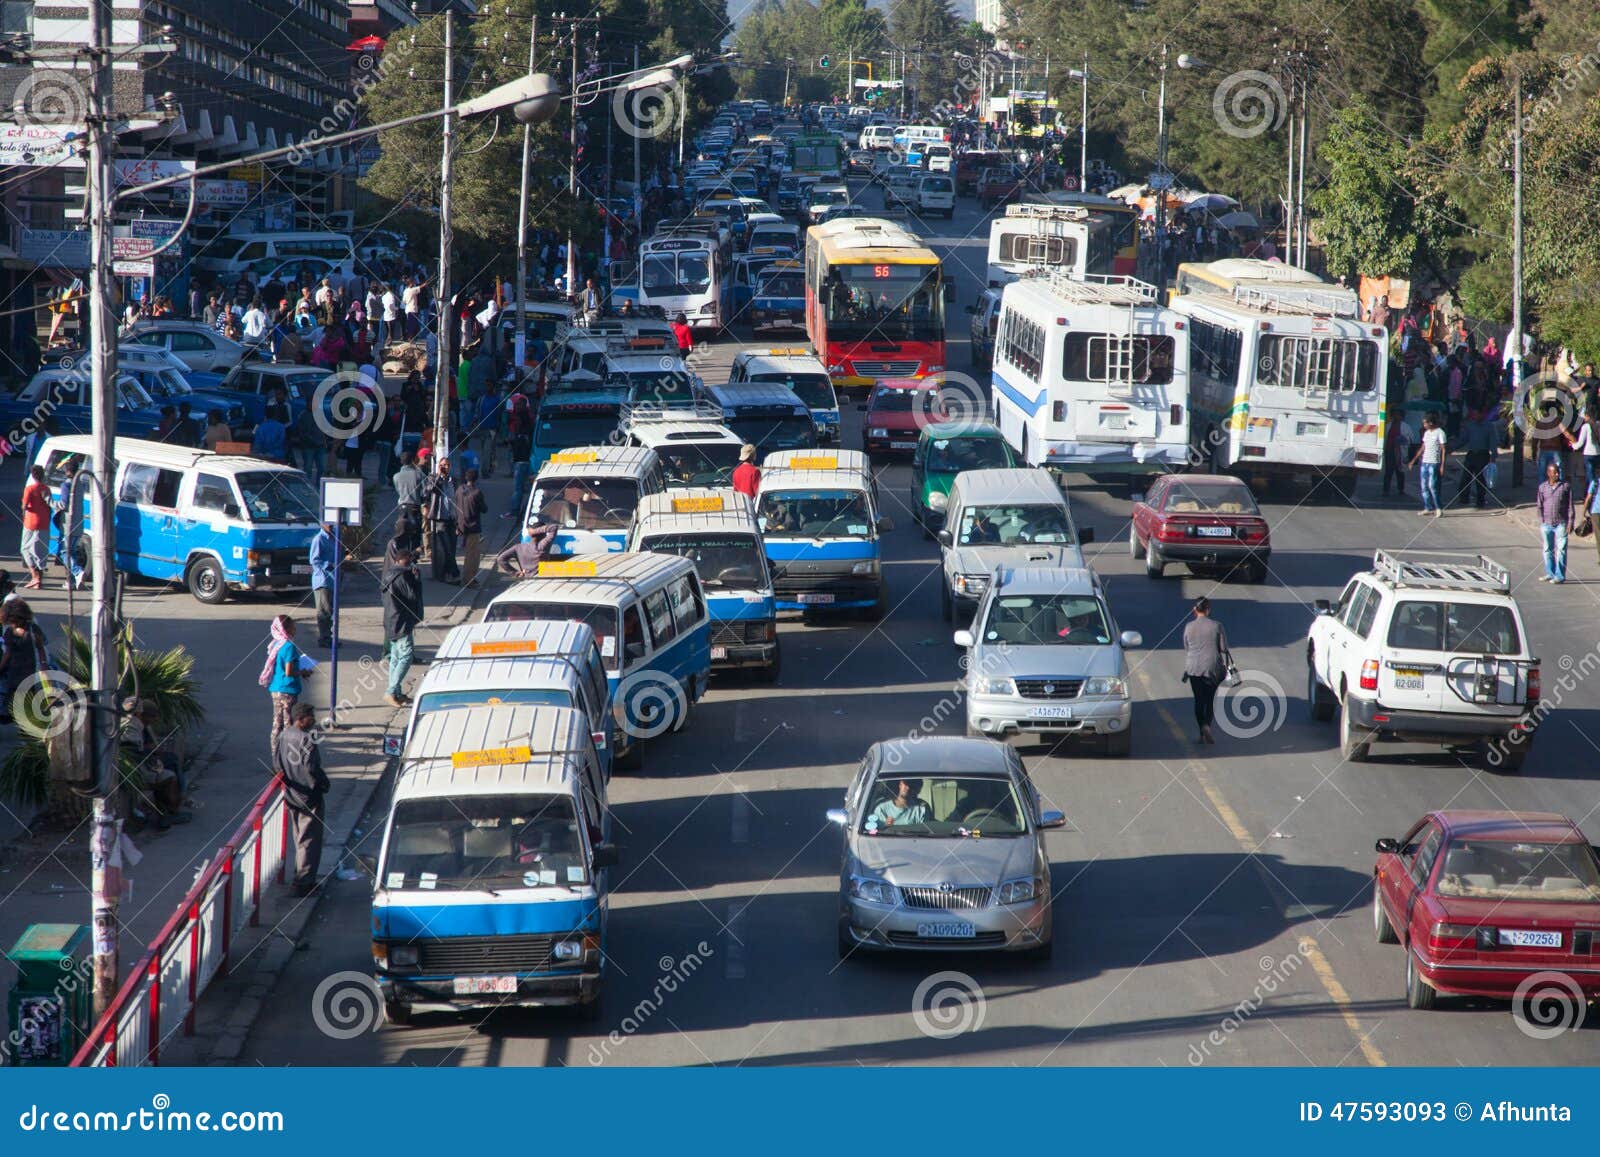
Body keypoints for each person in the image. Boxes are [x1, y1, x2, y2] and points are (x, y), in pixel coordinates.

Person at [275, 702, 329, 896]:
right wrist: (321, 784)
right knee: (310, 839)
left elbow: (277, 763)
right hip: (309, 796)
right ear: (300, 719)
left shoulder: (283, 736)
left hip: (291, 795)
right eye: (310, 717)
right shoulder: (307, 740)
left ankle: (300, 875)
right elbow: (311, 769)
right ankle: (304, 882)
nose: (314, 721)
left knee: (299, 837)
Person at [1182, 596, 1232, 744]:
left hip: (1193, 668)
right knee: (1209, 699)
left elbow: (1187, 647)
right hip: (1213, 668)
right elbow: (1224, 648)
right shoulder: (1217, 626)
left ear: (1195, 610)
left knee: (1198, 700)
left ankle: (1202, 730)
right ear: (1208, 610)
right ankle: (1207, 727)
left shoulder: (1189, 627)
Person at [380, 546, 424, 706]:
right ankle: (391, 691)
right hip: (402, 621)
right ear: (403, 561)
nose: (410, 565)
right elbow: (413, 596)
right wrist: (416, 579)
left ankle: (396, 692)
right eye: (409, 562)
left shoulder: (388, 574)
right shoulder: (404, 576)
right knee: (407, 655)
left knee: (396, 657)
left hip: (390, 621)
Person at [259, 614, 305, 756]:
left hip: (276, 688)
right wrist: (303, 672)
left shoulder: (276, 644)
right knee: (288, 725)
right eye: (293, 626)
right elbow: (289, 671)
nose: (295, 628)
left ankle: (275, 756)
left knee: (277, 724)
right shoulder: (289, 646)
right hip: (287, 689)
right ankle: (286, 759)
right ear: (287, 629)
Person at [0, 599, 47, 723]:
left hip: (31, 670)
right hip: (14, 671)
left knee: (30, 699)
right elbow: (7, 653)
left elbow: (41, 648)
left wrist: (43, 666)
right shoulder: (9, 632)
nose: (14, 624)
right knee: (15, 698)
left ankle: (27, 726)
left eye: (15, 621)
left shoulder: (33, 630)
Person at [1536, 461, 1573, 584]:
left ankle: (1560, 576)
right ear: (1548, 473)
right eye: (1554, 472)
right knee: (1548, 549)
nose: (1557, 474)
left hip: (1561, 523)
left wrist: (1571, 522)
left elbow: (1570, 506)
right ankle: (1550, 573)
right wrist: (1541, 521)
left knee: (1561, 550)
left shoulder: (1565, 487)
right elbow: (1539, 505)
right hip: (1546, 523)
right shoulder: (1542, 487)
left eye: (1558, 472)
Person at [426, 458, 460, 582]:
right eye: (442, 465)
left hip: (452, 517)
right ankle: (455, 574)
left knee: (452, 548)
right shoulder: (433, 478)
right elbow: (429, 490)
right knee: (446, 548)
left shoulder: (454, 480)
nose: (445, 467)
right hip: (440, 518)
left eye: (447, 465)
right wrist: (439, 476)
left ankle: (448, 573)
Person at [20, 465, 51, 589]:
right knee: (41, 551)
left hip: (31, 522)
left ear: (32, 475)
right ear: (43, 475)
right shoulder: (47, 489)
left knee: (25, 549)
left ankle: (34, 576)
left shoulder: (29, 489)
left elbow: (25, 506)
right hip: (44, 522)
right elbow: (49, 506)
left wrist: (24, 516)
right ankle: (40, 580)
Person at [1408, 411, 1445, 517]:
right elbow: (1422, 447)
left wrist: (1442, 465)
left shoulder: (1440, 433)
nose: (1424, 425)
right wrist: (1413, 460)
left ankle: (1438, 508)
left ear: (1431, 423)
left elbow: (1443, 449)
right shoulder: (1427, 433)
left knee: (1432, 486)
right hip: (1425, 462)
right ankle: (1428, 507)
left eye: (1425, 423)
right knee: (1424, 486)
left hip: (1434, 463)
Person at [456, 467, 487, 587]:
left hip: (461, 525)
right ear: (476, 479)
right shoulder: (477, 492)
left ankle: (468, 577)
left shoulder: (459, 489)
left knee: (469, 553)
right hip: (473, 526)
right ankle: (469, 579)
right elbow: (484, 509)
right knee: (472, 555)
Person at [309, 522, 338, 647]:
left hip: (333, 579)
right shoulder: (319, 539)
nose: (331, 526)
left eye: (332, 524)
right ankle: (324, 638)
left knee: (330, 610)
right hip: (322, 580)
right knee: (324, 611)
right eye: (328, 524)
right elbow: (314, 560)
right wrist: (328, 565)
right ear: (322, 524)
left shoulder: (335, 537)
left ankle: (329, 637)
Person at [392, 450, 426, 553]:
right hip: (415, 507)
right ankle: (413, 557)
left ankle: (402, 557)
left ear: (401, 462)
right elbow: (424, 491)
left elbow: (398, 490)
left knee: (402, 534)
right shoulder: (418, 474)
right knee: (415, 535)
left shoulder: (396, 476)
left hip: (402, 507)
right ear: (412, 461)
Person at [494, 524, 559, 576]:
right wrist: (534, 531)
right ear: (543, 534)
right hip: (541, 578)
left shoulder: (518, 547)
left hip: (525, 579)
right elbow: (554, 527)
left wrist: (515, 573)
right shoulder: (543, 545)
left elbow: (500, 559)